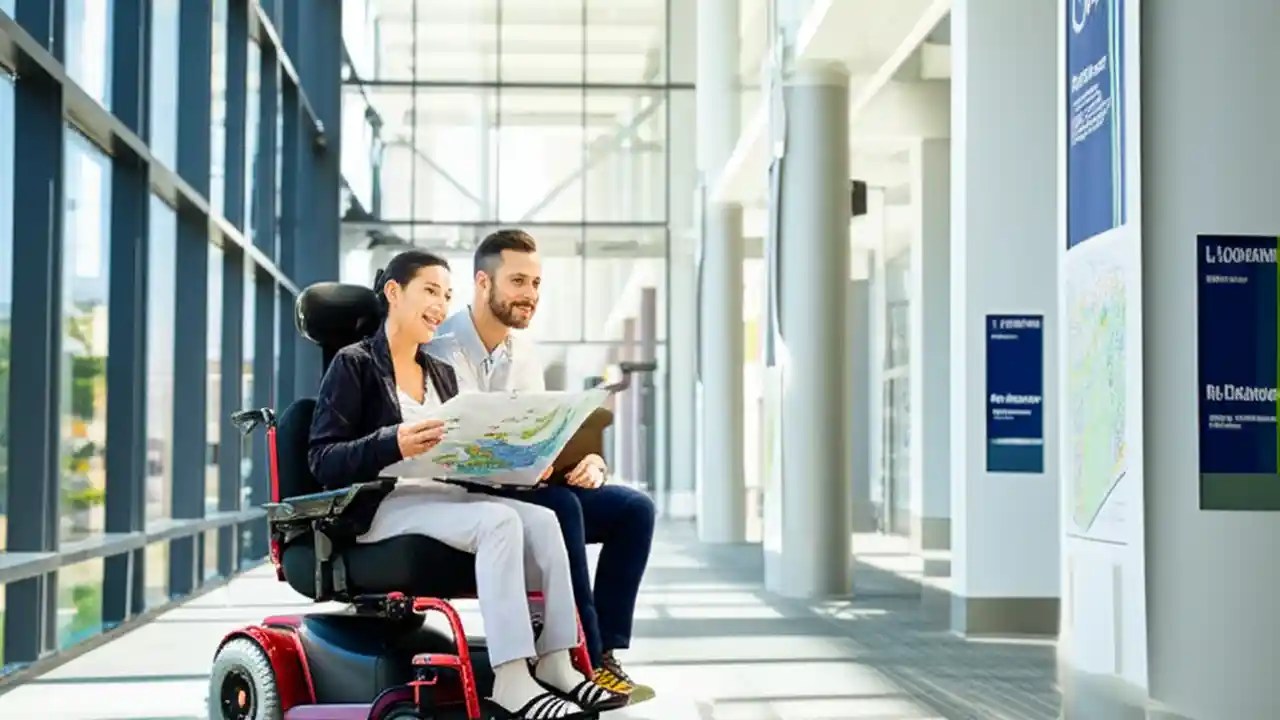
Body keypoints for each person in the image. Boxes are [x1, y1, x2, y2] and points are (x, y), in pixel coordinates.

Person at [307, 249, 623, 719]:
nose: (441, 304)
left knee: (542, 520)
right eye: (430, 291)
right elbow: (322, 459)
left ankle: (557, 660)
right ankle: (513, 677)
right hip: (384, 505)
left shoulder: (442, 373)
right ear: (394, 293)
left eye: (447, 295)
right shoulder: (354, 365)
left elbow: (465, 455)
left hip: (447, 497)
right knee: (498, 523)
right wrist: (392, 442)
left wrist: (518, 463)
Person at [426, 229, 658, 704]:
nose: (530, 294)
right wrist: (540, 465)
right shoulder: (443, 347)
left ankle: (607, 652)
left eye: (535, 283)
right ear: (483, 283)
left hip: (526, 481)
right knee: (559, 507)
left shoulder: (523, 350)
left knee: (634, 509)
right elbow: (464, 449)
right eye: (518, 281)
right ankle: (582, 658)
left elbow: (544, 428)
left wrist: (587, 460)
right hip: (468, 490)